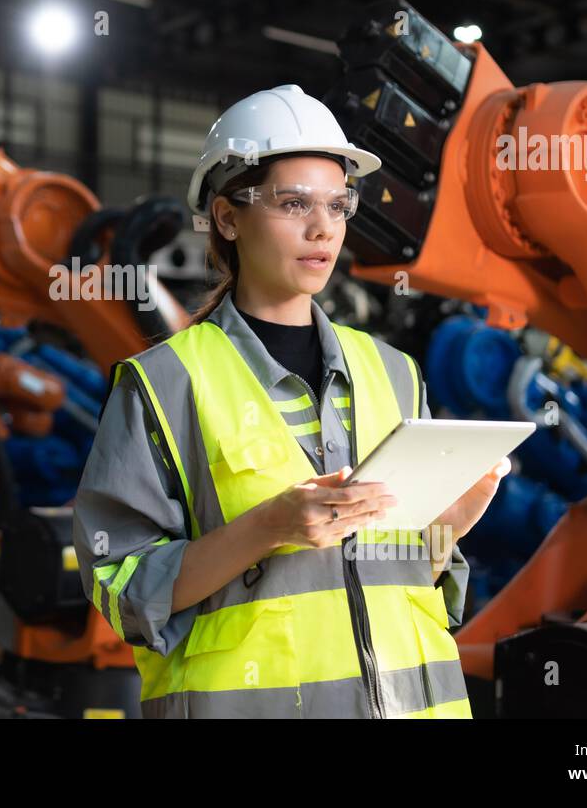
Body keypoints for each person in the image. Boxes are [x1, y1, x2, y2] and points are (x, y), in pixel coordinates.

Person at [72, 84, 509, 719]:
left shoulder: (393, 372)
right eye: (294, 203)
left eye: (338, 206)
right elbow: (123, 588)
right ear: (227, 217)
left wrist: (447, 529)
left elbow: (406, 576)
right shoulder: (166, 384)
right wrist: (268, 528)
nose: (322, 228)